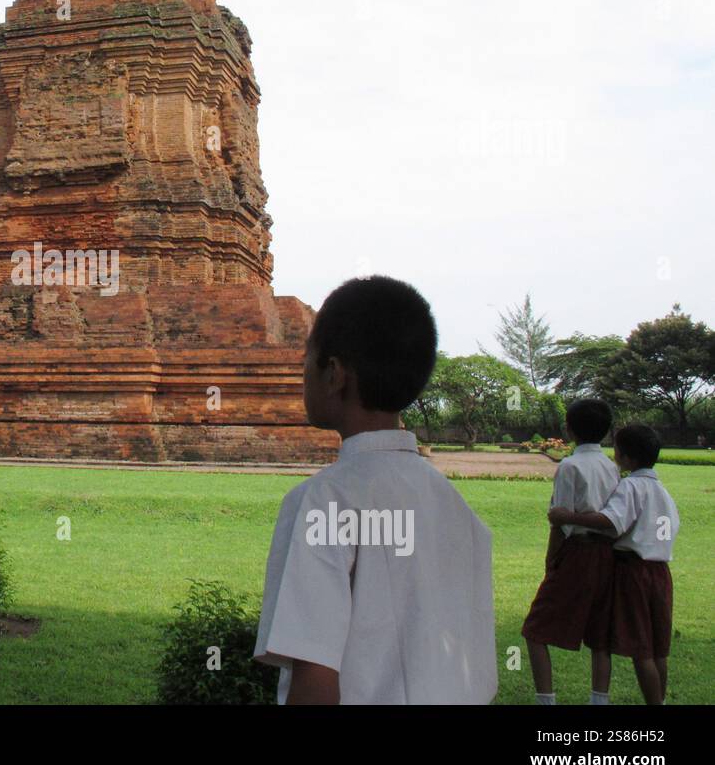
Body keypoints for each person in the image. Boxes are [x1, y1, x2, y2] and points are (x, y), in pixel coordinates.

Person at [254, 276, 496, 704]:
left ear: (334, 374)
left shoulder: (322, 502)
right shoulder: (457, 509)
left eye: (307, 358)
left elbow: (315, 679)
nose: (301, 371)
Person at [551, 424, 680, 705]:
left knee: (642, 650)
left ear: (627, 457)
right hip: (661, 573)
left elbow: (611, 521)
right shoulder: (663, 493)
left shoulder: (630, 486)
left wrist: (567, 516)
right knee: (659, 649)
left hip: (634, 572)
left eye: (616, 449)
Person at [521, 398, 619, 705]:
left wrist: (552, 560)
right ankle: (598, 700)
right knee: (601, 635)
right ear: (606, 432)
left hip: (577, 552)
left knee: (535, 629)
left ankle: (546, 700)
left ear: (569, 429)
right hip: (608, 554)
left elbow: (559, 519)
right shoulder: (612, 466)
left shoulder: (570, 465)